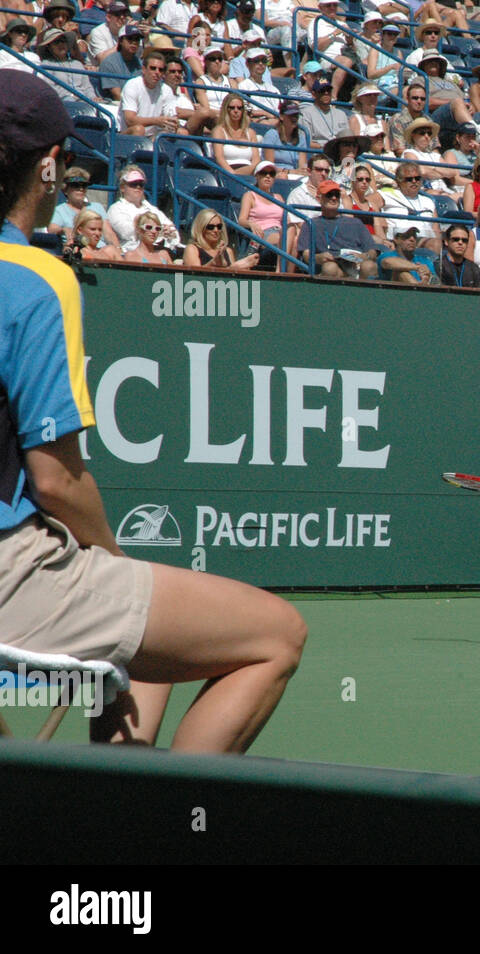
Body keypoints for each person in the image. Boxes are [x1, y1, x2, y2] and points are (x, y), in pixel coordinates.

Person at [0, 73, 306, 752]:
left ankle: (108, 817)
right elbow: (55, 481)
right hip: (11, 580)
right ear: (47, 164)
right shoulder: (36, 277)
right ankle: (166, 828)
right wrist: (108, 551)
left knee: (148, 633)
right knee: (278, 633)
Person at [295, 179, 381, 278]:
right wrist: (319, 257)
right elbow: (306, 255)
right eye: (329, 194)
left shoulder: (355, 223)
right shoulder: (311, 224)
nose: (334, 198)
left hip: (356, 267)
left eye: (337, 195)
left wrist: (364, 256)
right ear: (319, 198)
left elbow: (372, 251)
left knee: (369, 265)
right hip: (330, 266)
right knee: (330, 268)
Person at [106, 165, 181, 250]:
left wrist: (170, 234)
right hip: (131, 254)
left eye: (141, 184)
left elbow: (174, 233)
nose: (138, 187)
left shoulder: (151, 208)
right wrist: (160, 231)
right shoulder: (116, 209)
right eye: (133, 184)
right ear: (122, 188)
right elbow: (128, 233)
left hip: (158, 251)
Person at [238, 159, 294, 269]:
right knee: (285, 237)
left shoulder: (279, 197)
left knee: (293, 234)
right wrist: (251, 224)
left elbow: (287, 220)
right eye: (264, 173)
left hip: (280, 230)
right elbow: (241, 220)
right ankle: (280, 271)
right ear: (257, 176)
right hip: (262, 233)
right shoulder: (250, 195)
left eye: (272, 174)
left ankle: (289, 275)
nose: (268, 176)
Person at [117, 47, 178, 137]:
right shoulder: (132, 85)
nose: (157, 72)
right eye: (153, 68)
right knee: (139, 129)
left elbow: (172, 118)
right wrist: (157, 121)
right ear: (144, 70)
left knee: (181, 132)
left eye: (161, 70)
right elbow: (130, 120)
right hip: (127, 136)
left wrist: (172, 125)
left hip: (153, 136)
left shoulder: (166, 90)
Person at [49, 166, 116, 247]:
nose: (81, 189)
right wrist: (64, 229)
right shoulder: (59, 210)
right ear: (65, 190)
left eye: (84, 186)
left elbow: (109, 233)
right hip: (78, 251)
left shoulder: (97, 207)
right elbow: (51, 229)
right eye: (76, 186)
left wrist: (118, 249)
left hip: (101, 249)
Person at [382, 162, 441, 251]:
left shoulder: (428, 201)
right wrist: (382, 237)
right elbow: (369, 203)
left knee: (436, 243)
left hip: (423, 242)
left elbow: (436, 230)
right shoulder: (386, 195)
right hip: (398, 240)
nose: (414, 181)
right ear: (399, 181)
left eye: (417, 178)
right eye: (409, 179)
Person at [182, 207, 260, 269]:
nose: (216, 230)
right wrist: (213, 263)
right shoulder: (192, 249)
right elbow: (194, 276)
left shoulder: (228, 251)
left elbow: (234, 279)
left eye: (219, 227)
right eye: (210, 227)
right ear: (201, 228)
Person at [211, 93, 262, 176]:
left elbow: (256, 160)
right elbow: (219, 158)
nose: (236, 111)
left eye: (239, 108)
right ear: (226, 109)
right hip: (227, 173)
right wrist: (233, 174)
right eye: (232, 108)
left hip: (249, 174)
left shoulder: (250, 133)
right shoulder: (219, 131)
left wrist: (245, 172)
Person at [437, 222, 480, 288]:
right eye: (456, 239)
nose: (460, 242)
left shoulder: (474, 268)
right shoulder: (438, 265)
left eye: (464, 240)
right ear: (446, 241)